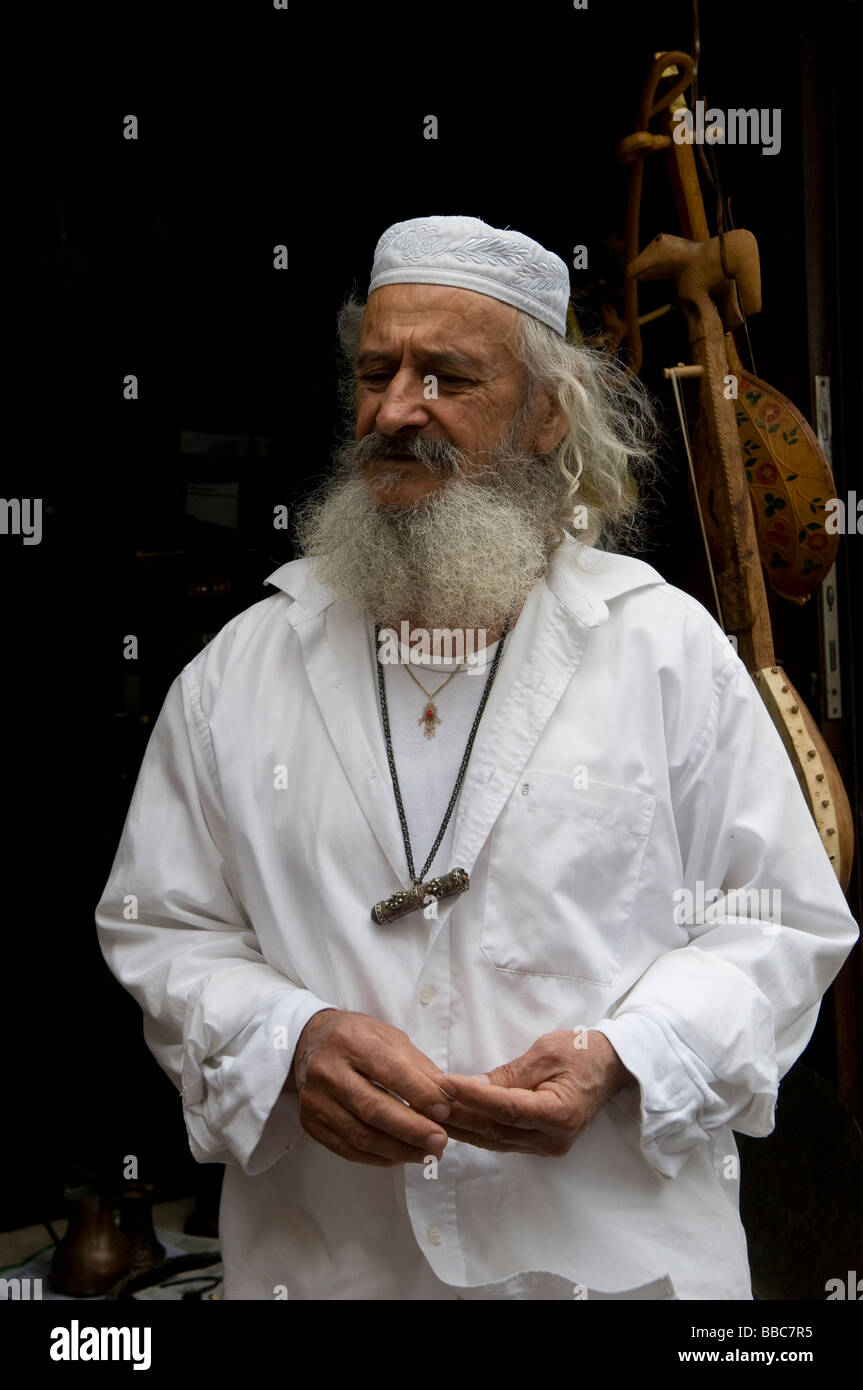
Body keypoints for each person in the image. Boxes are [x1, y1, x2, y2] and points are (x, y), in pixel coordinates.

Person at [95, 215, 859, 1300]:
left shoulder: (662, 651)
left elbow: (780, 923)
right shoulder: (242, 669)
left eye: (446, 376)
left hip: (616, 1272)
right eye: (378, 371)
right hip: (330, 1269)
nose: (398, 411)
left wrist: (627, 1054)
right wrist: (288, 1037)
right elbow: (162, 924)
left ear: (547, 413)